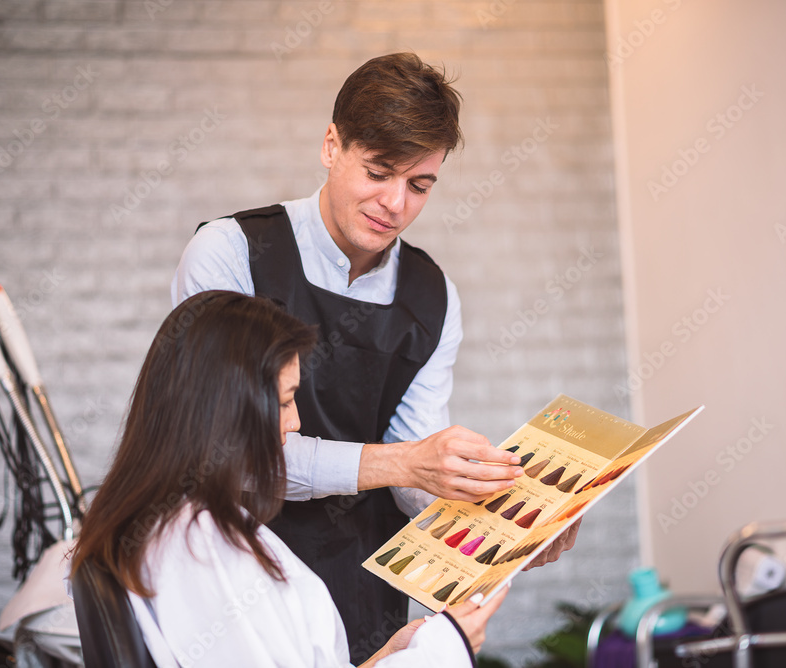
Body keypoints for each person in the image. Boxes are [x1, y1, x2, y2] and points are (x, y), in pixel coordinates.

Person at [171, 52, 572, 660]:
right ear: (332, 145)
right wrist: (403, 464)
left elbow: (421, 477)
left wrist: (508, 526)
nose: (395, 204)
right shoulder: (231, 254)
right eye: (379, 172)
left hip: (365, 584)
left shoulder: (432, 297)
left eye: (419, 185)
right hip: (237, 577)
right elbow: (229, 460)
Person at [71, 291, 508, 667]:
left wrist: (393, 652)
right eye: (283, 402)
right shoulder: (199, 543)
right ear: (225, 408)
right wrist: (446, 647)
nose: (295, 422)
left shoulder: (166, 523)